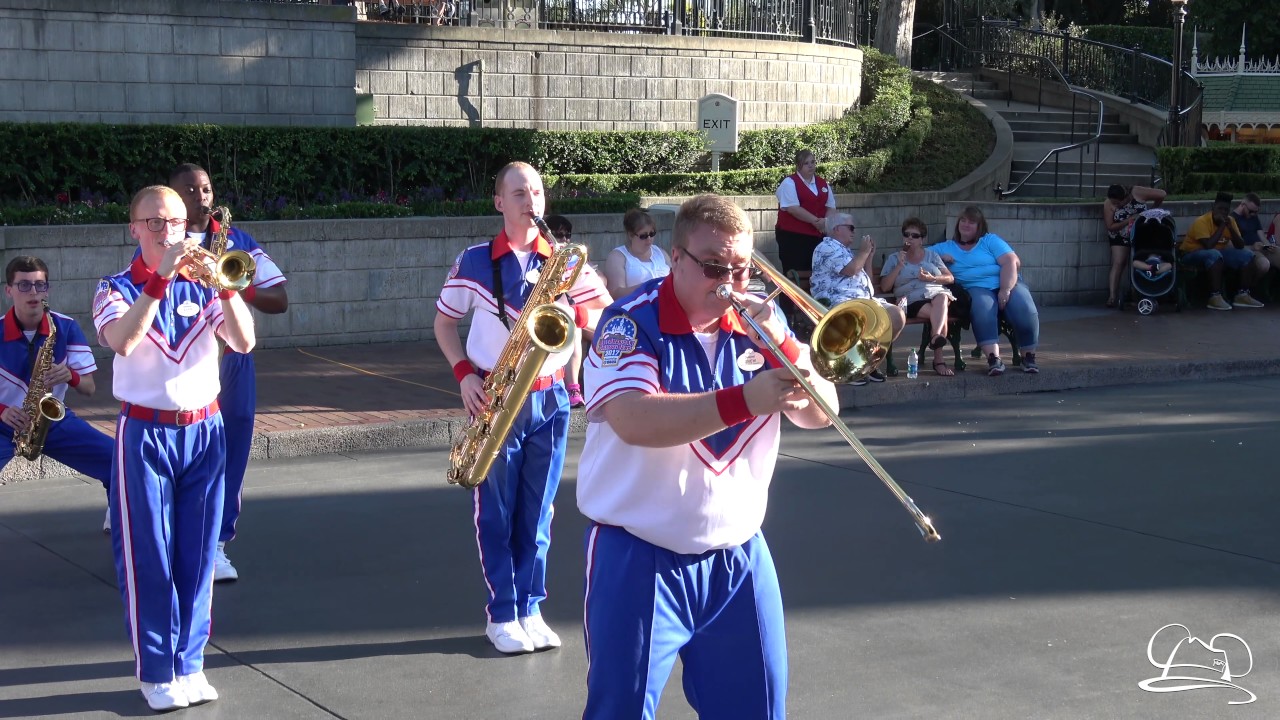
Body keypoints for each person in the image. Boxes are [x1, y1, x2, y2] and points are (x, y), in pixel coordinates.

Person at [576, 193, 838, 720]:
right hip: (639, 556)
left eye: (742, 269)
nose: (730, 283)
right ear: (675, 258)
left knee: (760, 710)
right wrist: (746, 400)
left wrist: (786, 346)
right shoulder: (627, 322)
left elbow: (823, 413)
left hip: (738, 556)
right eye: (715, 266)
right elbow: (634, 419)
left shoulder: (761, 321)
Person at [434, 162, 611, 655]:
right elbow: (444, 323)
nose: (531, 200)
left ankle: (531, 607)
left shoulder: (565, 261)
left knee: (539, 513)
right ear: (499, 202)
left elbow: (605, 313)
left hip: (551, 395)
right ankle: (502, 613)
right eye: (518, 193)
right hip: (496, 395)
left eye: (536, 191)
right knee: (497, 511)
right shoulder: (473, 261)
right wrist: (464, 374)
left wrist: (572, 308)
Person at [93, 185, 256, 711]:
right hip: (145, 433)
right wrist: (160, 279)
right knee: (150, 556)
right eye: (156, 223)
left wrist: (224, 287)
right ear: (134, 229)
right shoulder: (114, 287)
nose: (169, 233)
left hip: (205, 431)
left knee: (199, 555)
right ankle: (157, 670)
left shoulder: (205, 286)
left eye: (178, 223)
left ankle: (190, 662)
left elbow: (244, 342)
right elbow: (122, 340)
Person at [169, 163, 290, 583]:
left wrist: (234, 283)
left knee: (232, 451)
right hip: (181, 362)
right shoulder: (163, 243)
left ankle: (217, 544)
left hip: (233, 360)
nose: (201, 197)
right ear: (173, 196)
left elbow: (279, 300)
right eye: (190, 190)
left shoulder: (237, 241)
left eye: (205, 189)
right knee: (178, 450)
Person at [0, 256, 113, 505]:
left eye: (40, 285)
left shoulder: (65, 327)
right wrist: (2, 411)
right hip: (3, 423)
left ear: (47, 289)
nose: (33, 292)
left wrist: (71, 375)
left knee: (118, 461)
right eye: (24, 285)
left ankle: (119, 518)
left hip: (50, 421)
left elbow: (89, 388)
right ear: (9, 290)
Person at [933, 205, 1042, 375]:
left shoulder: (990, 241)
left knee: (1024, 307)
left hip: (1007, 283)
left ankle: (1028, 357)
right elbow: (918, 255)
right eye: (963, 220)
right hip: (975, 288)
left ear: (980, 226)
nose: (966, 224)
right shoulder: (945, 247)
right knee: (983, 308)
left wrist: (1005, 290)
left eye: (971, 222)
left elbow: (1011, 262)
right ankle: (993, 358)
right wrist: (939, 257)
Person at [808, 212, 905, 384]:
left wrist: (869, 257)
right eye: (851, 228)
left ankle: (868, 363)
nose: (854, 232)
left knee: (897, 316)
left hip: (862, 301)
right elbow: (851, 270)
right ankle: (850, 368)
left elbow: (866, 281)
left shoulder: (846, 251)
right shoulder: (826, 247)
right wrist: (863, 252)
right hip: (838, 302)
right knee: (858, 317)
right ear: (837, 229)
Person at [879, 218, 957, 377]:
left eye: (915, 236)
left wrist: (932, 278)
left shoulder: (932, 256)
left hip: (934, 293)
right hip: (910, 299)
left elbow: (950, 278)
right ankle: (938, 358)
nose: (910, 238)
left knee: (942, 297)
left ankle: (936, 337)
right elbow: (885, 287)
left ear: (922, 239)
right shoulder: (894, 258)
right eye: (906, 234)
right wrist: (899, 266)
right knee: (940, 314)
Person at [1179, 192, 1264, 310]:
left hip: (1217, 254)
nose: (1223, 212)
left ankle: (1242, 295)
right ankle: (1215, 297)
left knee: (1248, 254)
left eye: (1226, 210)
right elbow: (1209, 245)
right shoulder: (1202, 221)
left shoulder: (1230, 221)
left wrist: (1230, 228)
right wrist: (1222, 226)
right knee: (1214, 254)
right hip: (1191, 254)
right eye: (1220, 209)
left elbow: (1240, 245)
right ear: (1213, 208)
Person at [773, 149, 837, 290]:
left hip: (818, 237)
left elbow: (831, 206)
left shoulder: (823, 183)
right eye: (806, 163)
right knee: (793, 275)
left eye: (812, 162)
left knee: (816, 274)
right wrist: (816, 221)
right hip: (793, 238)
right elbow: (793, 208)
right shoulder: (789, 183)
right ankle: (789, 304)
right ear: (798, 166)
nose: (810, 166)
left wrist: (825, 222)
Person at [543, 214, 587, 409]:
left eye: (568, 235)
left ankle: (573, 387)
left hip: (564, 307)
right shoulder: (540, 255)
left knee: (575, 330)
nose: (565, 240)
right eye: (559, 235)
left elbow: (596, 278)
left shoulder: (571, 257)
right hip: (542, 309)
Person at [1102, 184, 1166, 308]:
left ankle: (1140, 291)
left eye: (1118, 203)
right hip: (1120, 234)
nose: (1116, 206)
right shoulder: (1108, 203)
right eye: (1114, 203)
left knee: (1141, 259)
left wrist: (1151, 211)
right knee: (1119, 262)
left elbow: (1162, 194)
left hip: (1140, 232)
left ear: (1126, 198)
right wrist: (1129, 220)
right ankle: (1112, 296)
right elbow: (1110, 226)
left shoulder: (1137, 192)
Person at [603, 208, 671, 299]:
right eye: (643, 236)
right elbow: (615, 294)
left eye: (652, 234)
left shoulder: (661, 253)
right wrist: (648, 287)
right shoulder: (617, 257)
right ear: (631, 235)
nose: (649, 239)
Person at [1230, 192, 1275, 282]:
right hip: (1249, 250)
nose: (1253, 214)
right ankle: (1250, 286)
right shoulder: (1232, 219)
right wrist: (1252, 247)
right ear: (1243, 205)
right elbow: (1233, 247)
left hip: (1261, 248)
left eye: (1256, 212)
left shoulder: (1253, 217)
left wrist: (1268, 245)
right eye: (1251, 211)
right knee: (1264, 265)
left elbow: (1262, 236)